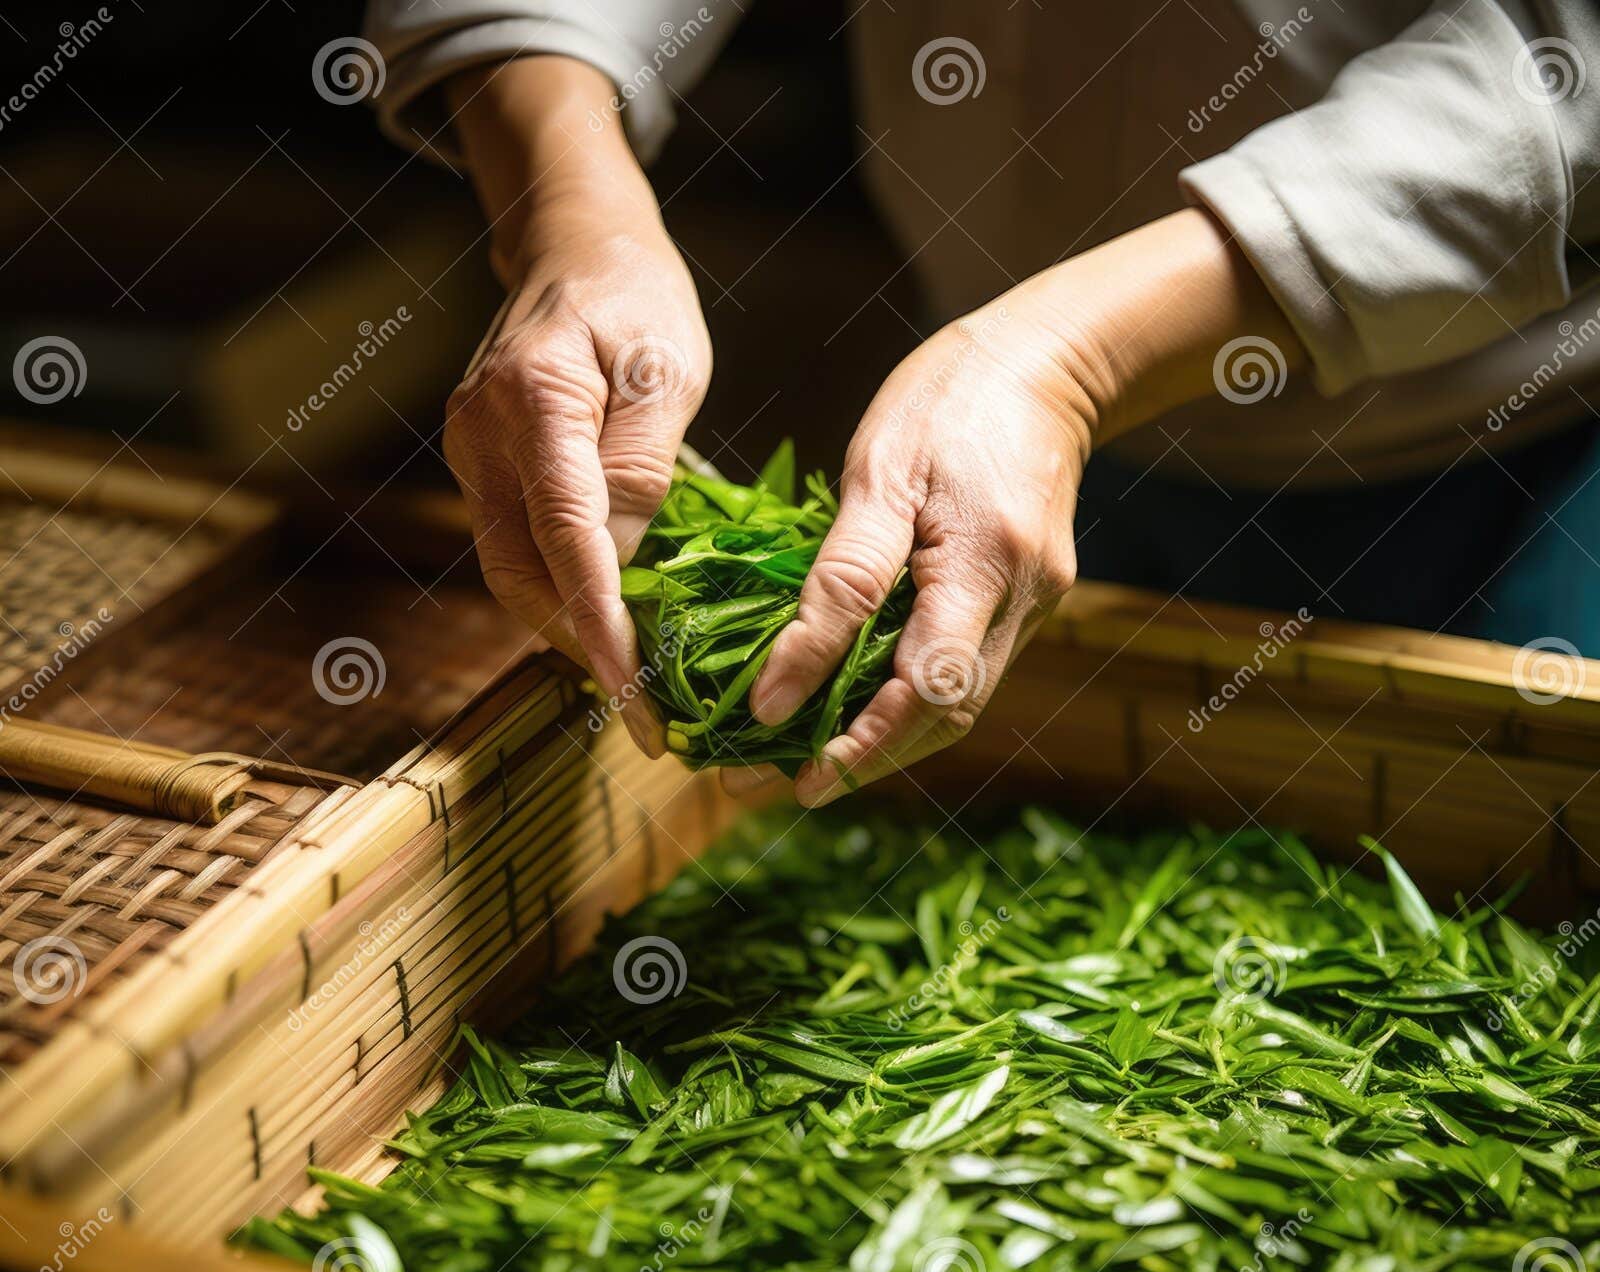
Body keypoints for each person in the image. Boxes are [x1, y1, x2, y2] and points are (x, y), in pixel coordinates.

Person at [363, 2, 1600, 804]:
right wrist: (570, 215)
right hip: (1020, 441)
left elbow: (1556, 60)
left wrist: (1065, 361)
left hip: (1509, 432)